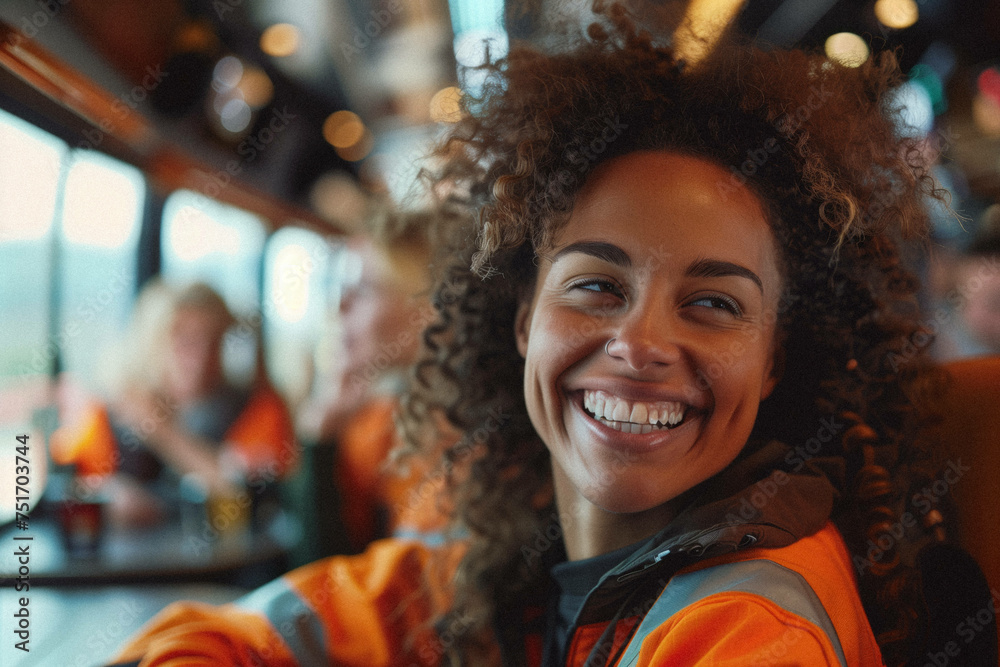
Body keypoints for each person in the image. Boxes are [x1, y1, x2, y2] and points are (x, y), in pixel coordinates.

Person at [106, 6, 973, 666]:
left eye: (713, 304)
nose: (639, 342)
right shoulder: (515, 563)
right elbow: (215, 635)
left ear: (779, 356)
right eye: (597, 286)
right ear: (523, 318)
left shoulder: (752, 626)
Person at [52, 279, 298, 527]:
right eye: (185, 340)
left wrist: (161, 430)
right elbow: (63, 485)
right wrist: (109, 493)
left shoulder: (254, 408)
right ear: (150, 343)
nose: (201, 358)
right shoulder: (109, 413)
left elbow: (238, 492)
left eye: (213, 342)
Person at [297, 206, 448, 550]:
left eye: (363, 289)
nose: (339, 306)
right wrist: (322, 436)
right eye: (341, 287)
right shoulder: (381, 418)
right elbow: (333, 567)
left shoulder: (468, 448)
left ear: (428, 311)